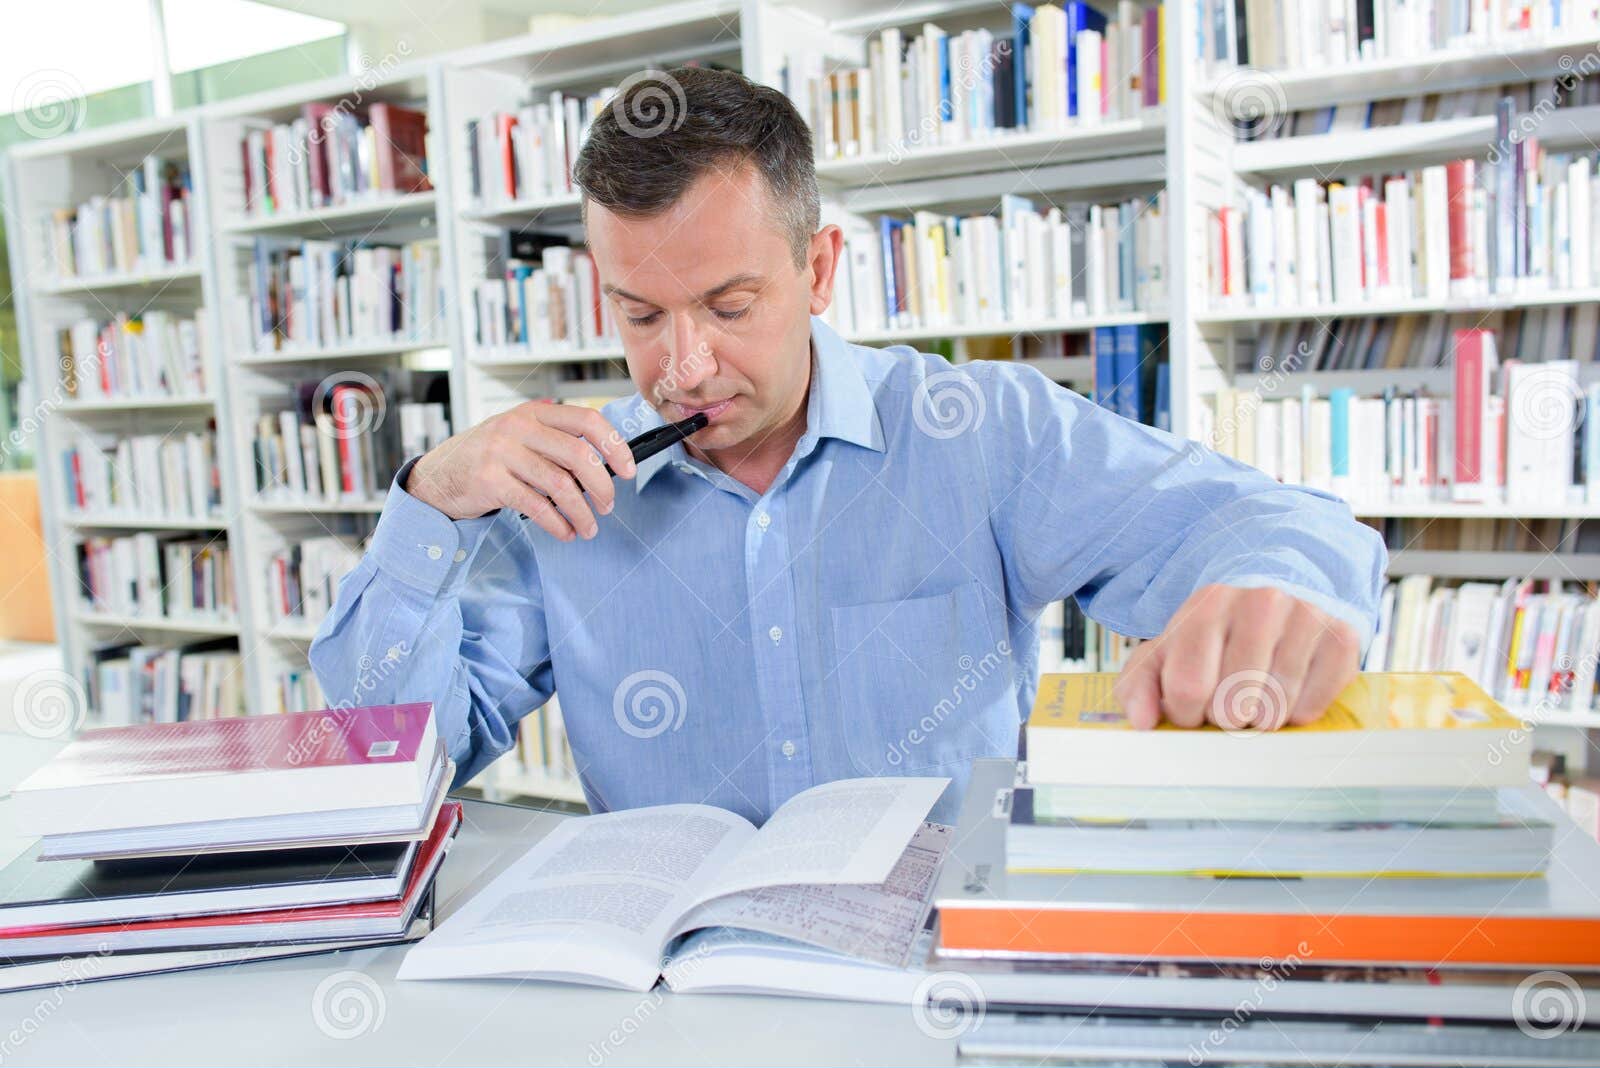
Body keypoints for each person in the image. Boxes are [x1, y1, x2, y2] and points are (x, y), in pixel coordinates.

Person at [309, 67, 1386, 823]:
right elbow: (386, 758)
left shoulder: (979, 432)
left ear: (818, 270)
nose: (682, 367)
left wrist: (1270, 587)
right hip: (673, 1017)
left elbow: (1271, 526)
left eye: (730, 306)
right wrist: (433, 499)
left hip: (932, 992)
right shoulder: (571, 485)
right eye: (640, 316)